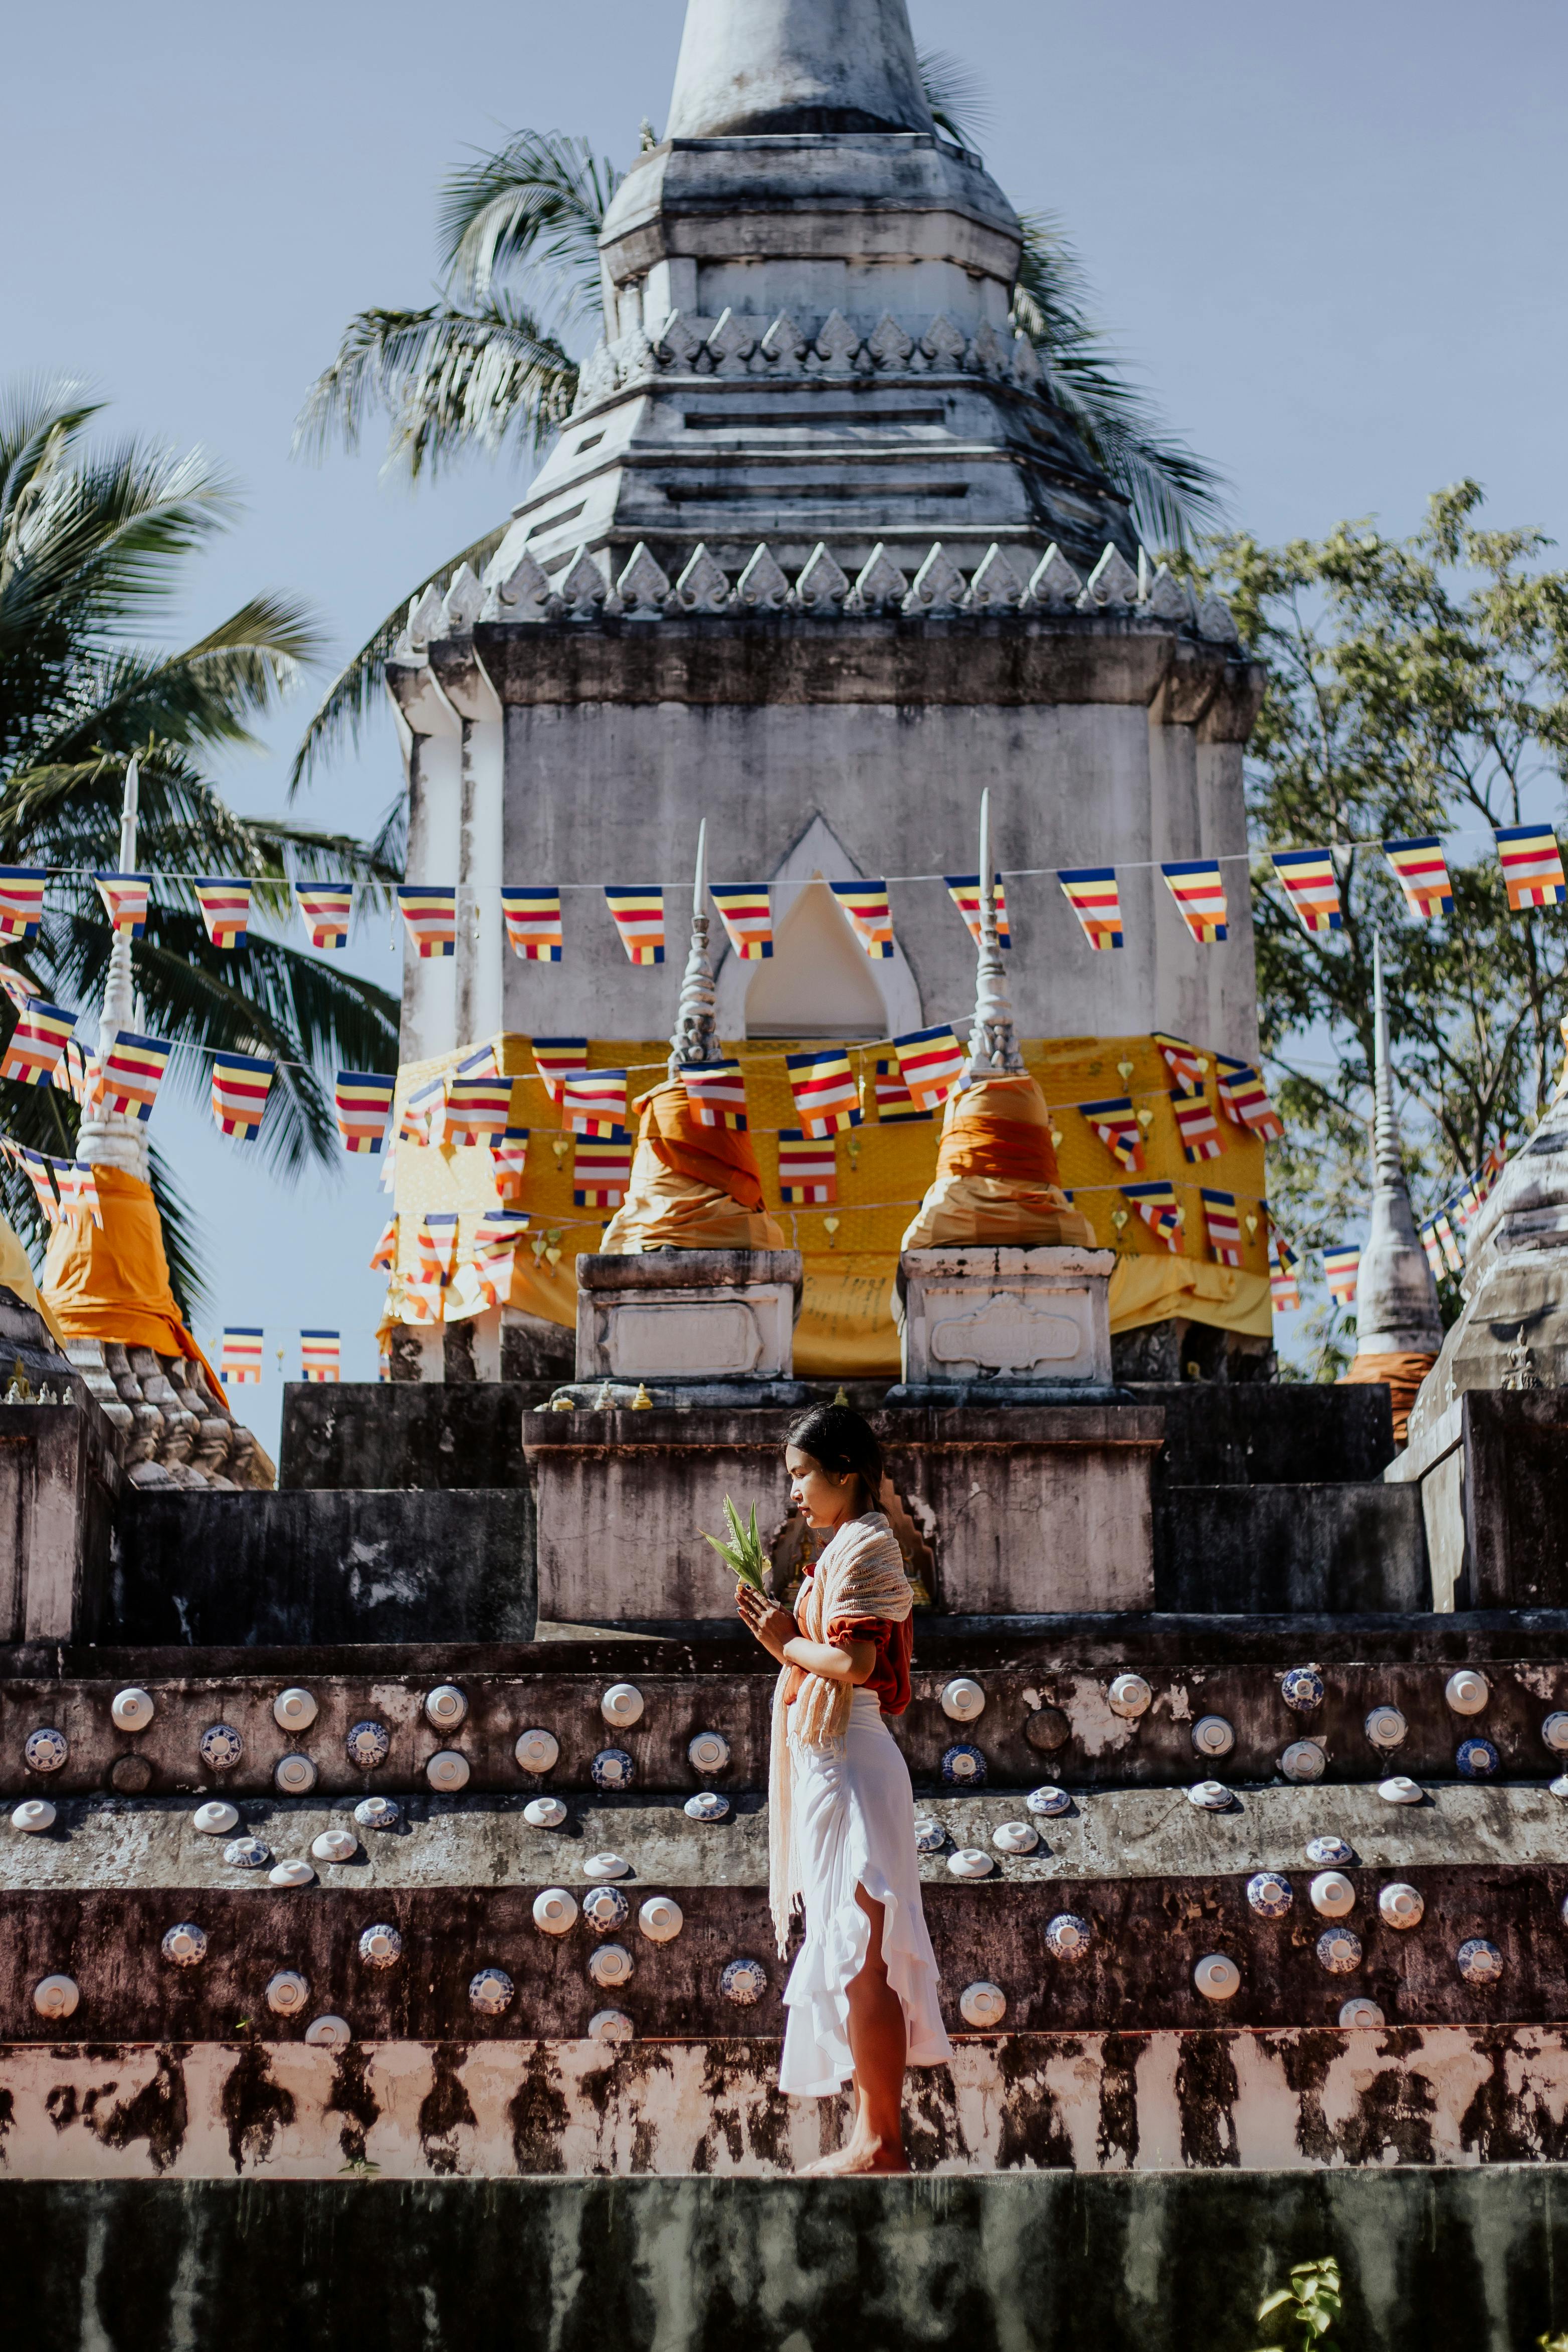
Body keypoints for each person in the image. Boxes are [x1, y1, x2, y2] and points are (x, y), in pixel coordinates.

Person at [735, 1401, 951, 2175]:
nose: (793, 1491)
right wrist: (791, 1640)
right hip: (835, 1764)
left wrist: (784, 1642)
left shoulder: (867, 1544)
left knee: (868, 1959)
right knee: (856, 1956)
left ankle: (882, 2141)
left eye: (803, 1475)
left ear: (846, 1473)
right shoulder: (843, 1549)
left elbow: (857, 1666)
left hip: (855, 1761)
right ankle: (872, 2136)